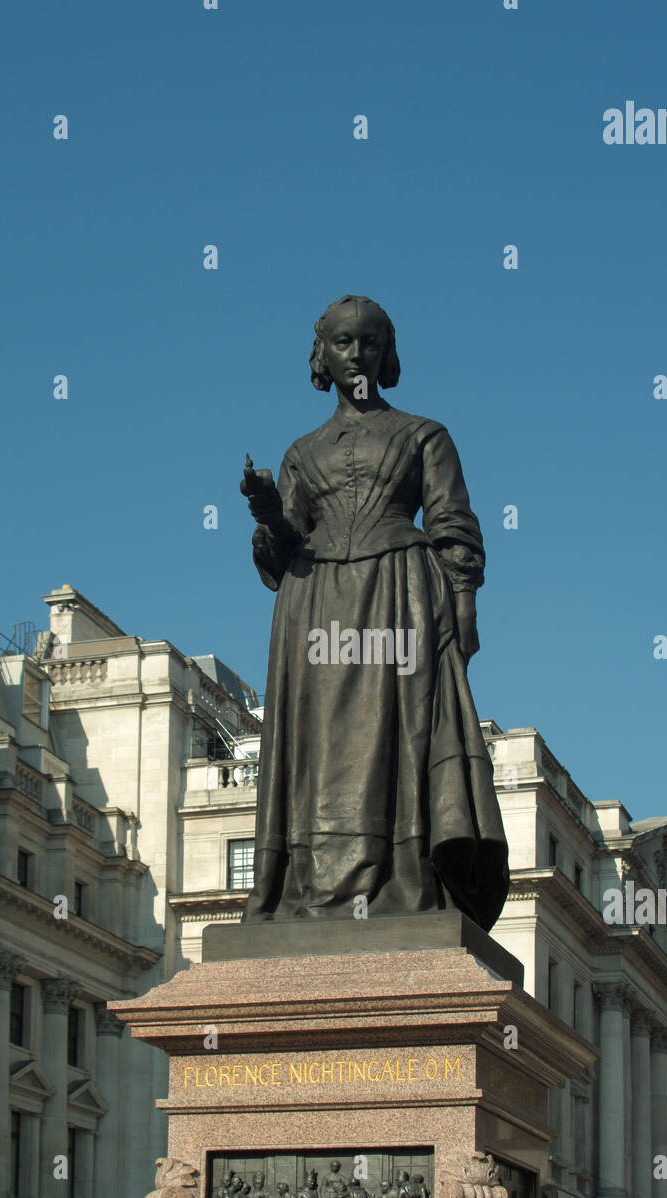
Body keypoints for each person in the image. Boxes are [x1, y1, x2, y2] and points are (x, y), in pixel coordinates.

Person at [240, 296, 509, 927]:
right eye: (342, 343)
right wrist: (267, 516)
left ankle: (404, 879)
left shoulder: (424, 435)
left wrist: (464, 603)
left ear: (386, 353)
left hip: (400, 595)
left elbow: (453, 523)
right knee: (320, 745)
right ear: (322, 356)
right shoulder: (301, 453)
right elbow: (278, 557)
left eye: (368, 342)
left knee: (397, 736)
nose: (355, 353)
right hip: (314, 602)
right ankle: (308, 884)